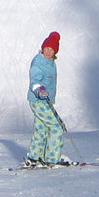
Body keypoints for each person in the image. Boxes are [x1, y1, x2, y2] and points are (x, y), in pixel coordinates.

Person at [25, 31, 70, 167]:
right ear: (43, 48)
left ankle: (35, 157)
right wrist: (39, 89)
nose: (49, 52)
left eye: (52, 50)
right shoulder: (39, 61)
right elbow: (35, 79)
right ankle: (52, 158)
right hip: (39, 100)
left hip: (43, 101)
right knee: (57, 128)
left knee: (42, 128)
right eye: (47, 48)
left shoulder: (50, 63)